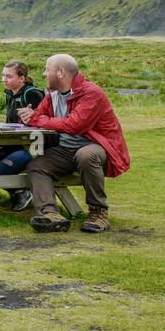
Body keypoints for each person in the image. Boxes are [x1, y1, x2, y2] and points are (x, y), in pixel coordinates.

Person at [19, 54, 130, 233]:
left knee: (86, 155)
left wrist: (37, 119)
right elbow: (37, 116)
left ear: (61, 72)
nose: (43, 74)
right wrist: (29, 116)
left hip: (96, 145)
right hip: (65, 149)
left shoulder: (91, 93)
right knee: (37, 165)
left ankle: (98, 213)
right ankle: (50, 214)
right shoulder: (52, 94)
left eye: (47, 70)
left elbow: (75, 125)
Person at [0, 60, 47, 211]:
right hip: (10, 146)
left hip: (31, 147)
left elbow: (45, 122)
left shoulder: (32, 94)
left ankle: (21, 192)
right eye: (3, 75)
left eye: (9, 76)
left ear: (22, 78)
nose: (4, 79)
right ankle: (17, 191)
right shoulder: (10, 94)